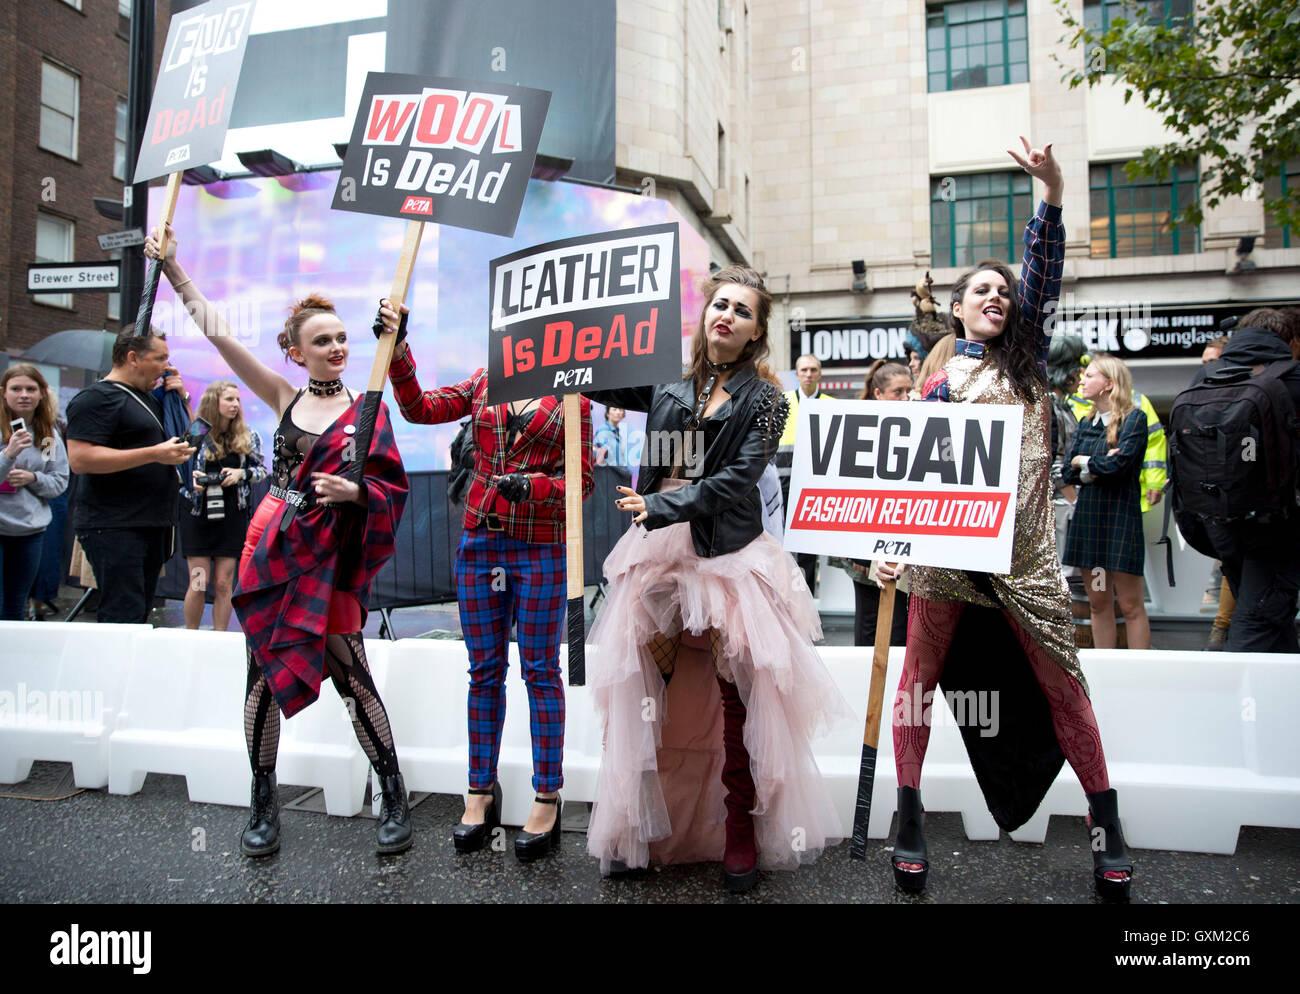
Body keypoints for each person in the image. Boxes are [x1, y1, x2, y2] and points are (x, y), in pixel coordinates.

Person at [878, 138, 1134, 900]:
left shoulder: (1024, 360)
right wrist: (887, 548)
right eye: (979, 291)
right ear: (954, 311)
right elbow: (903, 482)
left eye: (1003, 290)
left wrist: (1051, 195)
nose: (995, 296)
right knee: (918, 683)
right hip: (943, 563)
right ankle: (910, 816)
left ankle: (1105, 822)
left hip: (1023, 563)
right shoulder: (933, 390)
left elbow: (1042, 273)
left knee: (1066, 688)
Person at [145, 223, 414, 857]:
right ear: (297, 352)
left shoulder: (370, 404)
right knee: (261, 677)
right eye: (323, 340)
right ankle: (263, 801)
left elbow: (390, 486)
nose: (338, 346)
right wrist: (178, 271)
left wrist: (359, 494)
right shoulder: (282, 395)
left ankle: (394, 795)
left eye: (344, 337)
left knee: (355, 678)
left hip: (332, 559)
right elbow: (218, 332)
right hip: (273, 548)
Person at [582, 265, 851, 892]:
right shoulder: (668, 383)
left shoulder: (768, 398)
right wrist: (558, 348)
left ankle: (739, 829)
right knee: (646, 687)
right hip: (657, 550)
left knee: (737, 695)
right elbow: (594, 380)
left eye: (743, 311)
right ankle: (635, 825)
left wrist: (663, 505)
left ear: (757, 332)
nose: (726, 315)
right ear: (705, 314)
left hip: (727, 552)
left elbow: (736, 480)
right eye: (719, 304)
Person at [380, 298, 594, 861]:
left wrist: (537, 488)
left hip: (542, 547)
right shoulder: (484, 380)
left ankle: (547, 795)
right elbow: (419, 408)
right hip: (480, 543)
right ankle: (479, 790)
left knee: (541, 670)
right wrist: (399, 348)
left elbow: (585, 482)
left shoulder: (573, 397)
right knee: (484, 671)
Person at [1185, 307, 1300, 652]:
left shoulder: (1206, 377)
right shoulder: (1292, 380)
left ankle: (1280, 702)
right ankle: (1238, 705)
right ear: (1291, 342)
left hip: (1219, 525)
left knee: (1271, 619)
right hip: (1277, 526)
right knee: (1255, 624)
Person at [65, 329, 195, 624]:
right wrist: (153, 454)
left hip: (151, 522)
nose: (166, 366)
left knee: (138, 611)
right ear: (132, 357)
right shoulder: (97, 397)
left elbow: (179, 441)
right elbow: (80, 459)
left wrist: (181, 401)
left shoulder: (149, 399)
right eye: (160, 358)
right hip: (116, 524)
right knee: (122, 613)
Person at [1061, 355, 1151, 650]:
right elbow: (1066, 472)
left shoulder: (1134, 419)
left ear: (1109, 384)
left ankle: (1139, 670)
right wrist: (1095, 467)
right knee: (1099, 603)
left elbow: (1119, 467)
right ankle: (1105, 670)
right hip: (1091, 522)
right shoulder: (1086, 422)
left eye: (1090, 376)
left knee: (1129, 604)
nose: (1082, 380)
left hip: (1120, 521)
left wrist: (1084, 462)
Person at [830, 359, 913, 647]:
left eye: (909, 392)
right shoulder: (858, 429)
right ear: (878, 394)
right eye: (898, 392)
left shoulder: (916, 428)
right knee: (869, 615)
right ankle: (865, 680)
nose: (906, 399)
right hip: (863, 543)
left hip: (899, 541)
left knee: (900, 616)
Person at [180, 381, 267, 631]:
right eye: (229, 399)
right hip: (198, 514)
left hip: (232, 514)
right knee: (198, 582)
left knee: (223, 582)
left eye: (237, 400)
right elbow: (178, 468)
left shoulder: (248, 434)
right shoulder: (197, 430)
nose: (235, 405)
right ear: (213, 401)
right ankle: (191, 638)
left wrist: (241, 474)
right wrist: (191, 482)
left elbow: (261, 470)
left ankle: (219, 637)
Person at [0, 366, 70, 620]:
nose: (24, 395)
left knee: (16, 604)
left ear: (42, 394)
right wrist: (8, 455)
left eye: (31, 389)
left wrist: (33, 478)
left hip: (29, 532)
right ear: (3, 393)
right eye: (16, 389)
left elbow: (59, 482)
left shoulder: (47, 436)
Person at [777, 353, 832, 594]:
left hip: (814, 486)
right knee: (783, 544)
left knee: (809, 546)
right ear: (797, 373)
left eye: (813, 370)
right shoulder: (782, 401)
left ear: (819, 373)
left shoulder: (830, 403)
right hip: (786, 484)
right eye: (804, 370)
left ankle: (806, 599)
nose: (808, 374)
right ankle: (785, 596)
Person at [1046, 334, 1086, 563]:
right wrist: (1074, 502)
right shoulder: (1050, 406)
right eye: (1077, 370)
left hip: (1066, 503)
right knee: (1067, 575)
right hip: (1061, 506)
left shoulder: (1064, 407)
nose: (1080, 376)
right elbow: (1054, 461)